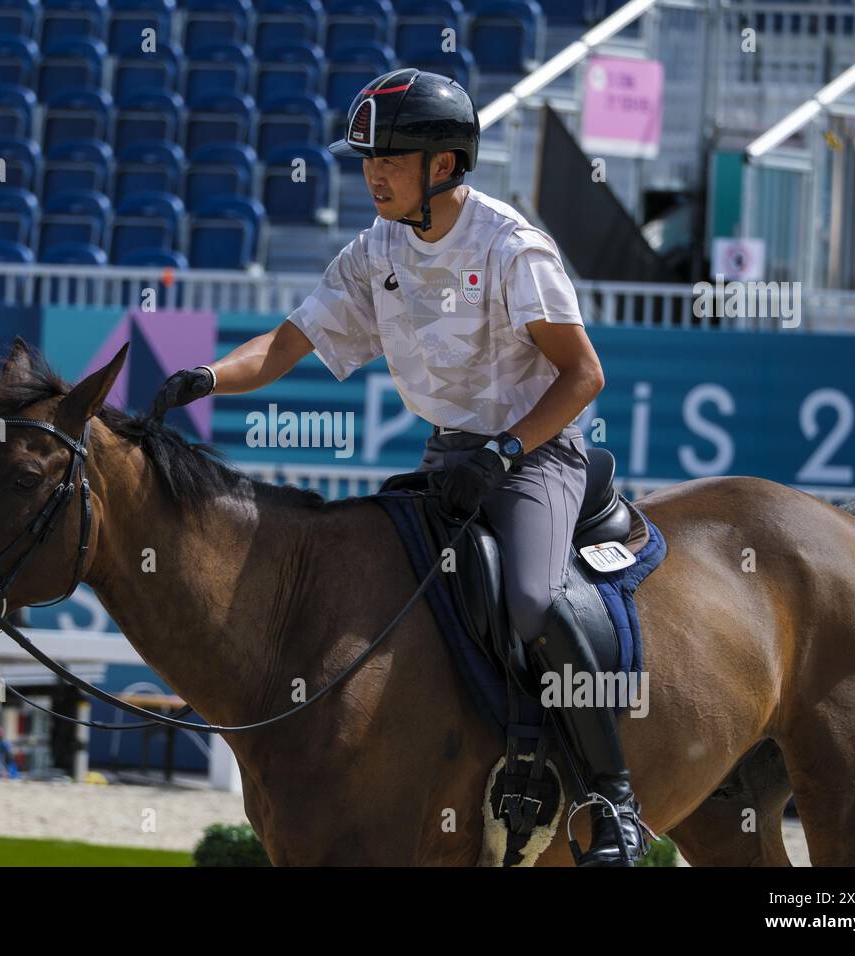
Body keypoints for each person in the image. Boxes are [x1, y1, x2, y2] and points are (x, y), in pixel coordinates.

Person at [152, 69, 648, 866]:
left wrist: (505, 451)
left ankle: (612, 803)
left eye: (390, 157)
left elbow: (583, 375)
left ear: (444, 165)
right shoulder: (374, 251)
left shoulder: (512, 245)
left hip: (536, 455)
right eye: (366, 159)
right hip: (450, 456)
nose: (372, 173)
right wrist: (207, 378)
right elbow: (285, 346)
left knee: (528, 598)